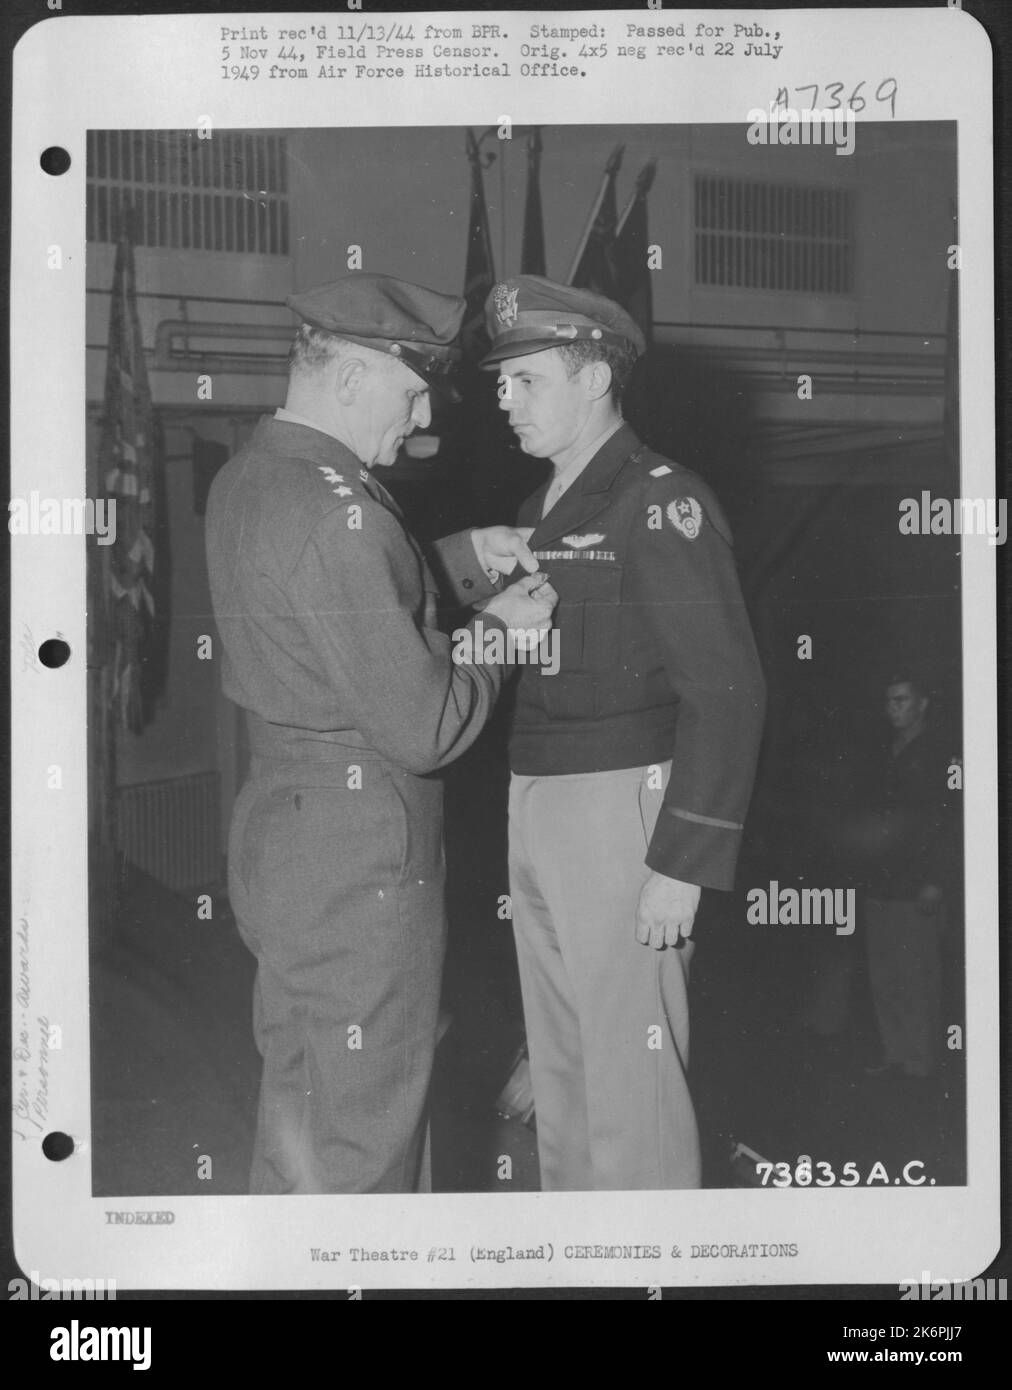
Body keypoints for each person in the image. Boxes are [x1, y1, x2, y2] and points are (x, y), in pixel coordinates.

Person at [205, 272, 557, 1194]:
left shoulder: (257, 475)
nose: (420, 421)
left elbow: (328, 612)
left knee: (302, 1113)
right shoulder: (341, 510)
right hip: (361, 853)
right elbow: (426, 725)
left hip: (285, 830)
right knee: (367, 1136)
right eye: (411, 395)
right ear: (354, 376)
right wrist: (501, 635)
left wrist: (461, 562)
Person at [479, 275, 766, 1190]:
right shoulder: (537, 514)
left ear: (594, 376)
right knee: (560, 1072)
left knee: (631, 1083)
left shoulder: (659, 500)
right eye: (500, 383)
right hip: (538, 799)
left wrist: (681, 863)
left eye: (525, 380)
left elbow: (727, 692)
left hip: (625, 809)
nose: (504, 401)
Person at [858, 675, 958, 1079]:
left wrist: (938, 879)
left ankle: (920, 1062)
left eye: (901, 700)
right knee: (884, 975)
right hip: (881, 881)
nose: (892, 708)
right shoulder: (884, 750)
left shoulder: (943, 752)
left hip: (919, 884)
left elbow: (950, 819)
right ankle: (895, 1052)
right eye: (888, 701)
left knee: (919, 975)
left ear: (922, 704)